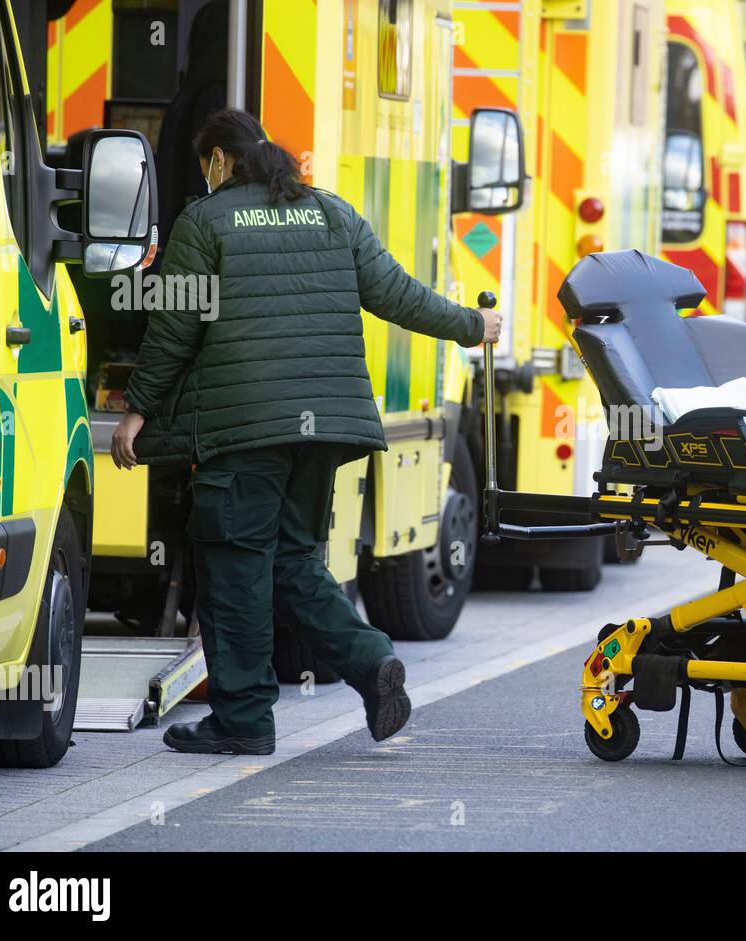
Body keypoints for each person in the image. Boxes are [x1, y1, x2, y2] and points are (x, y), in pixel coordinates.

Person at [111, 109, 501, 756]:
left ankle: (243, 718)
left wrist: (138, 409)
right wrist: (470, 325)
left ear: (217, 161)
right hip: (327, 427)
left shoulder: (205, 223)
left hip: (244, 430)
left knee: (235, 565)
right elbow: (397, 294)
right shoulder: (332, 214)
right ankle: (371, 660)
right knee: (293, 562)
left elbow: (174, 328)